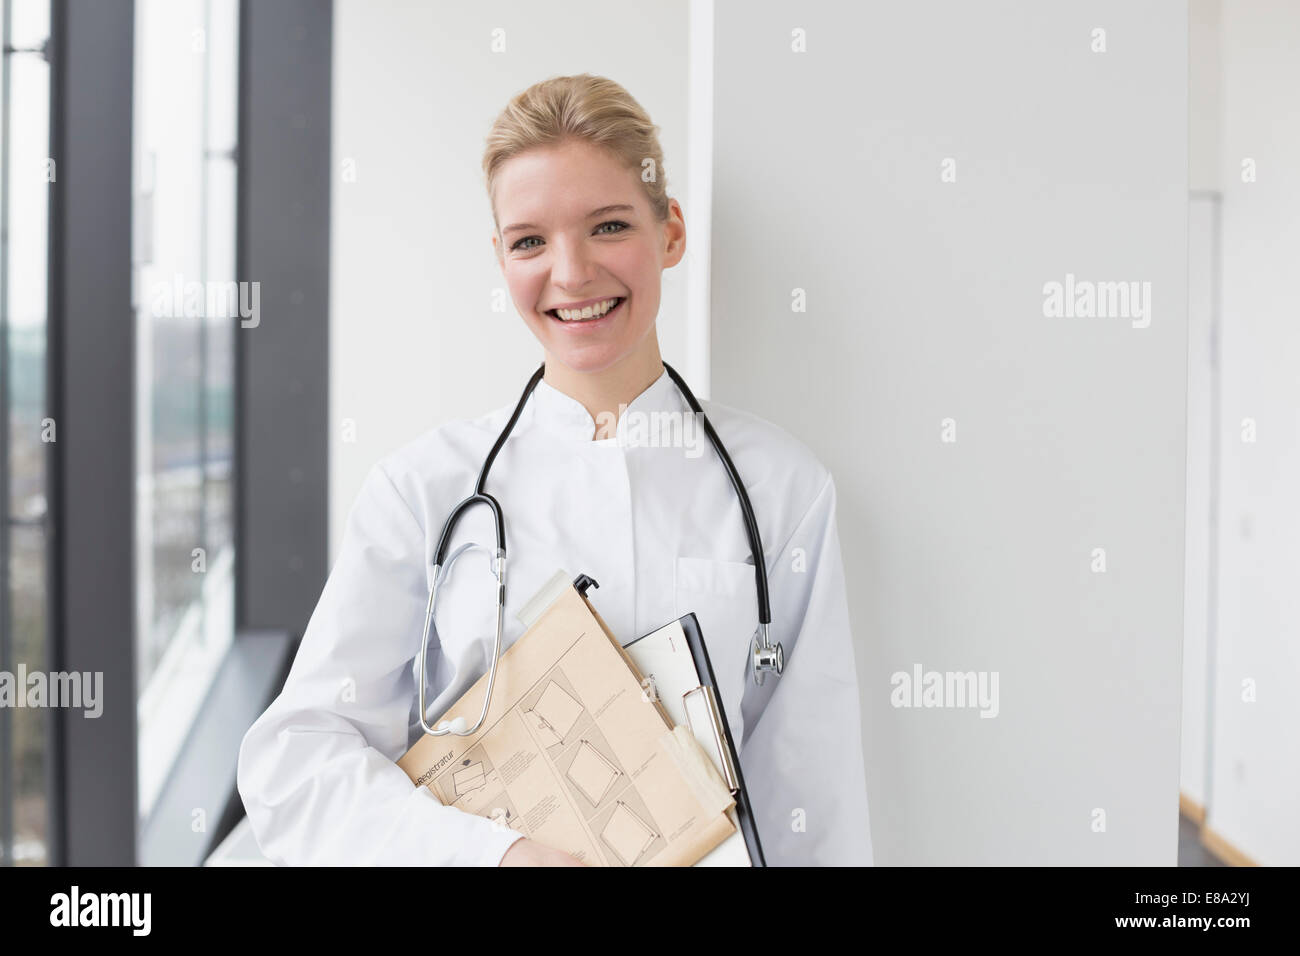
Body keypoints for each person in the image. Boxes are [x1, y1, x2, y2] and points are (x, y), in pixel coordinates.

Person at [236, 73, 873, 867]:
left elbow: (813, 798)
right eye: (530, 240)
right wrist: (491, 858)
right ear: (501, 258)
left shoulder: (781, 490)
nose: (570, 274)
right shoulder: (424, 491)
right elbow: (295, 762)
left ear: (669, 231)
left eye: (607, 226)